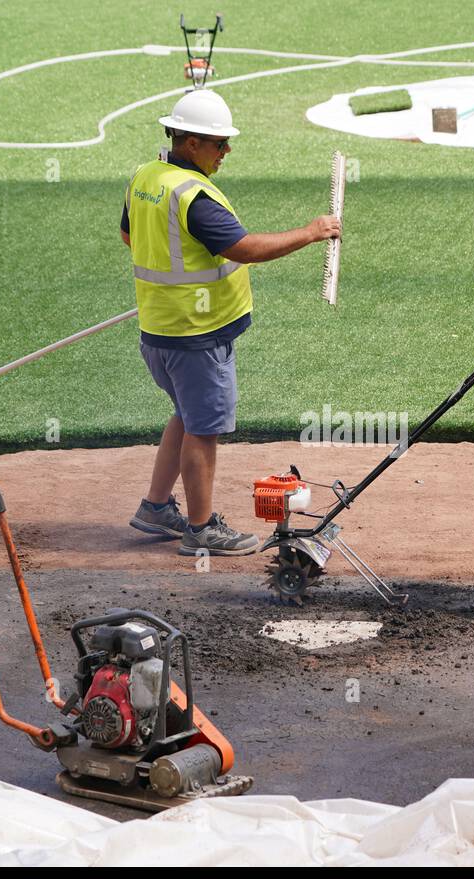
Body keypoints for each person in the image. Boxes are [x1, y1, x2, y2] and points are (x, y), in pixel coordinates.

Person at [122, 89, 341, 556]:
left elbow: (130, 234)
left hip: (159, 331)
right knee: (204, 430)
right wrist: (312, 231)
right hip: (197, 336)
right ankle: (200, 529)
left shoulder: (146, 176)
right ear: (192, 142)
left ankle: (156, 508)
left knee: (186, 415)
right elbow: (243, 248)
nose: (226, 151)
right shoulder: (194, 196)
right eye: (219, 143)